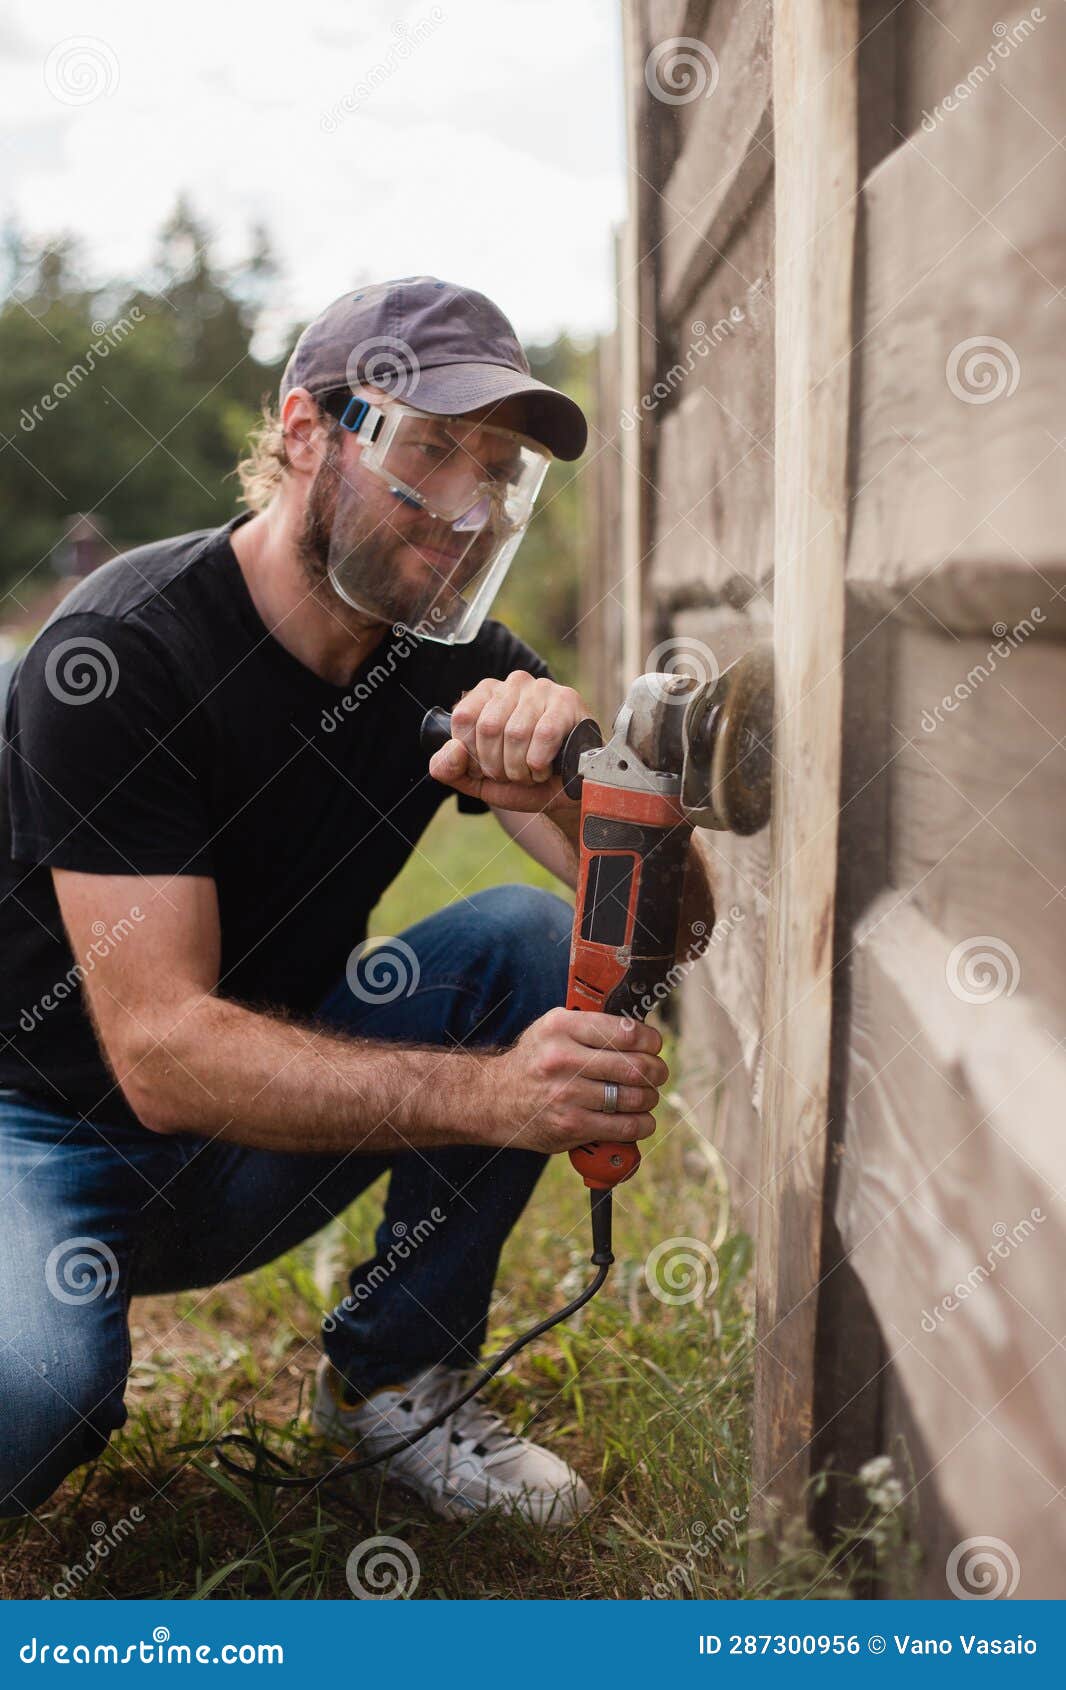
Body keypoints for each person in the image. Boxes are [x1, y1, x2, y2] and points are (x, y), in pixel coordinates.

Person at [0, 277, 689, 1528]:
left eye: (498, 471)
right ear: (307, 431)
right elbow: (161, 1054)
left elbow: (675, 932)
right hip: (35, 1133)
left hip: (253, 1143)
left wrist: (581, 789)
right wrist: (495, 1097)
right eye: (432, 449)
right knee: (34, 1393)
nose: (469, 508)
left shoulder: (461, 664)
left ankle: (394, 1381)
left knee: (528, 941)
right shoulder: (121, 653)